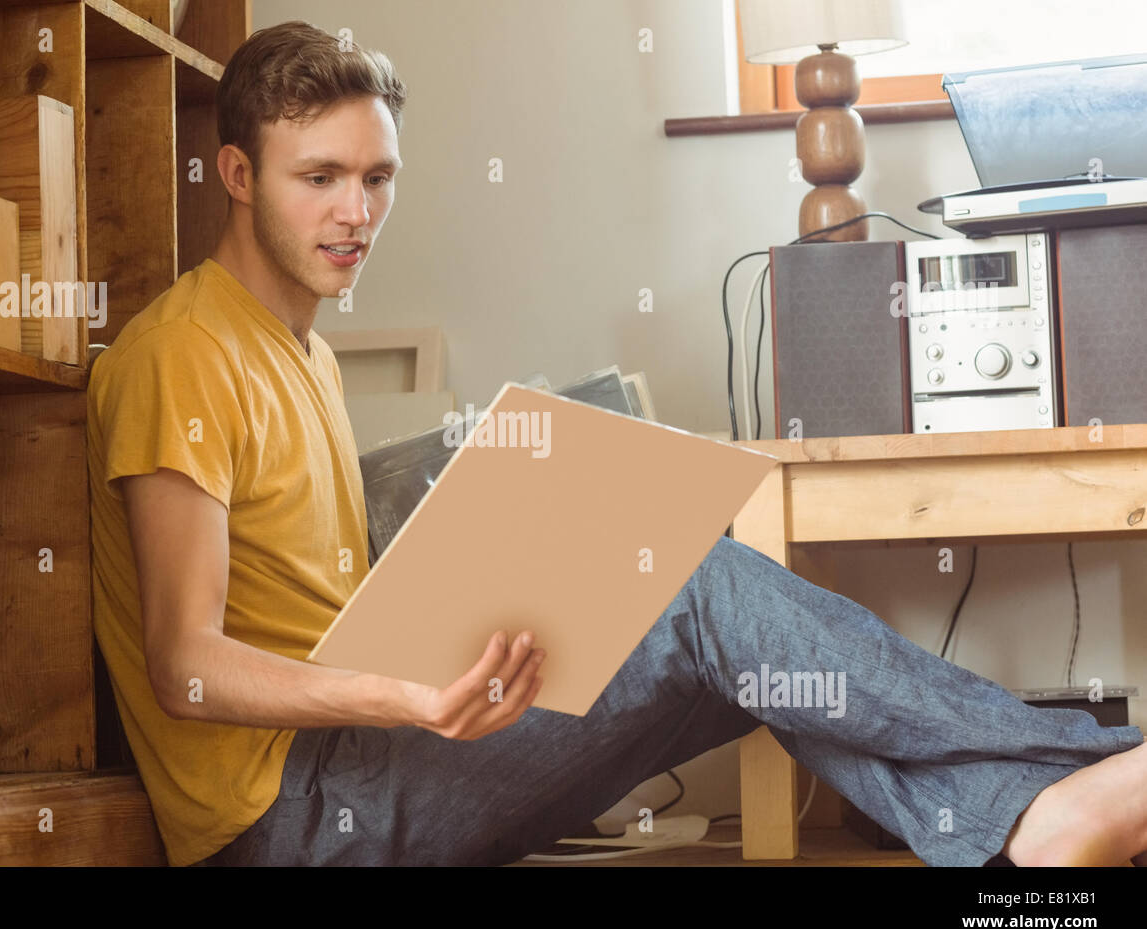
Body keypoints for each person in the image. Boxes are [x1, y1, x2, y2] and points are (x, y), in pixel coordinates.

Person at [87, 20, 1147, 868]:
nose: (355, 211)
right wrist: (408, 695)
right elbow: (187, 668)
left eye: (377, 177)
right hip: (292, 820)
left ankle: (1029, 827)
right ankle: (1093, 776)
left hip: (362, 765)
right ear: (235, 175)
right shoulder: (183, 351)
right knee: (693, 583)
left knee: (714, 640)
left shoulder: (301, 349)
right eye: (318, 177)